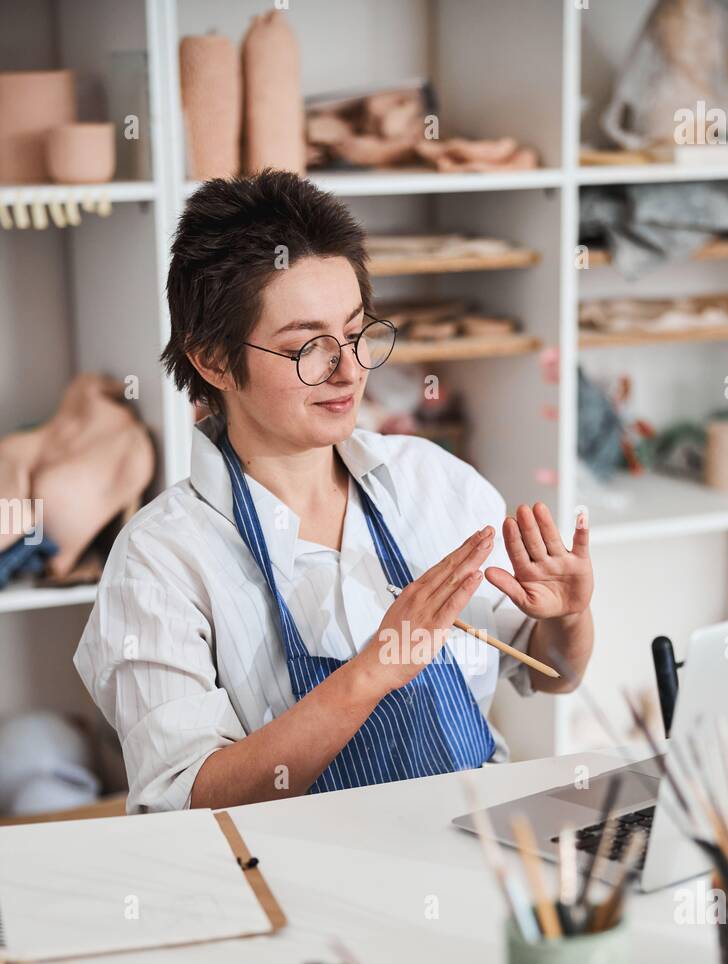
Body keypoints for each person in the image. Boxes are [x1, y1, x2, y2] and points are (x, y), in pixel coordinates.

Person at [74, 171, 594, 812]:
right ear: (211, 360)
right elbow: (185, 801)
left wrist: (568, 620)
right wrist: (371, 673)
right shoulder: (160, 559)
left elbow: (555, 678)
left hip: (474, 848)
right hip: (294, 882)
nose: (348, 369)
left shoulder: (433, 482)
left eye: (354, 333)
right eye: (307, 347)